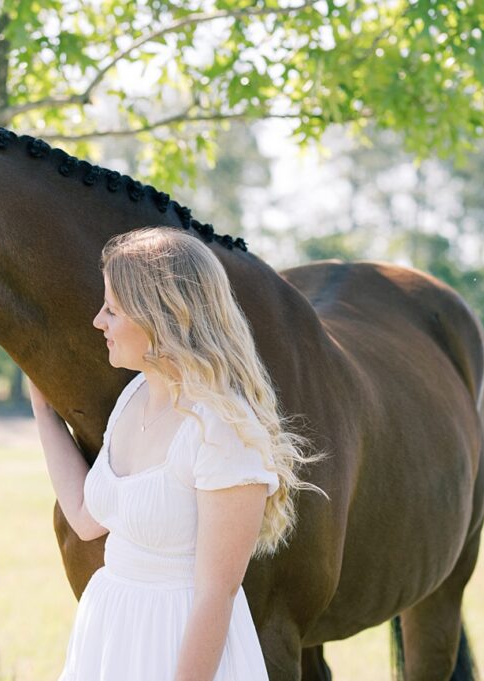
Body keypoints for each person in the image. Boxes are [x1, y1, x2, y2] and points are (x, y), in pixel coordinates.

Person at [28, 226, 323, 681]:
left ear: (161, 316)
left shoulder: (222, 429)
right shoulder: (132, 399)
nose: (98, 321)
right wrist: (45, 414)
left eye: (112, 309)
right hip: (109, 635)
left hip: (179, 648)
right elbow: (87, 518)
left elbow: (216, 594)